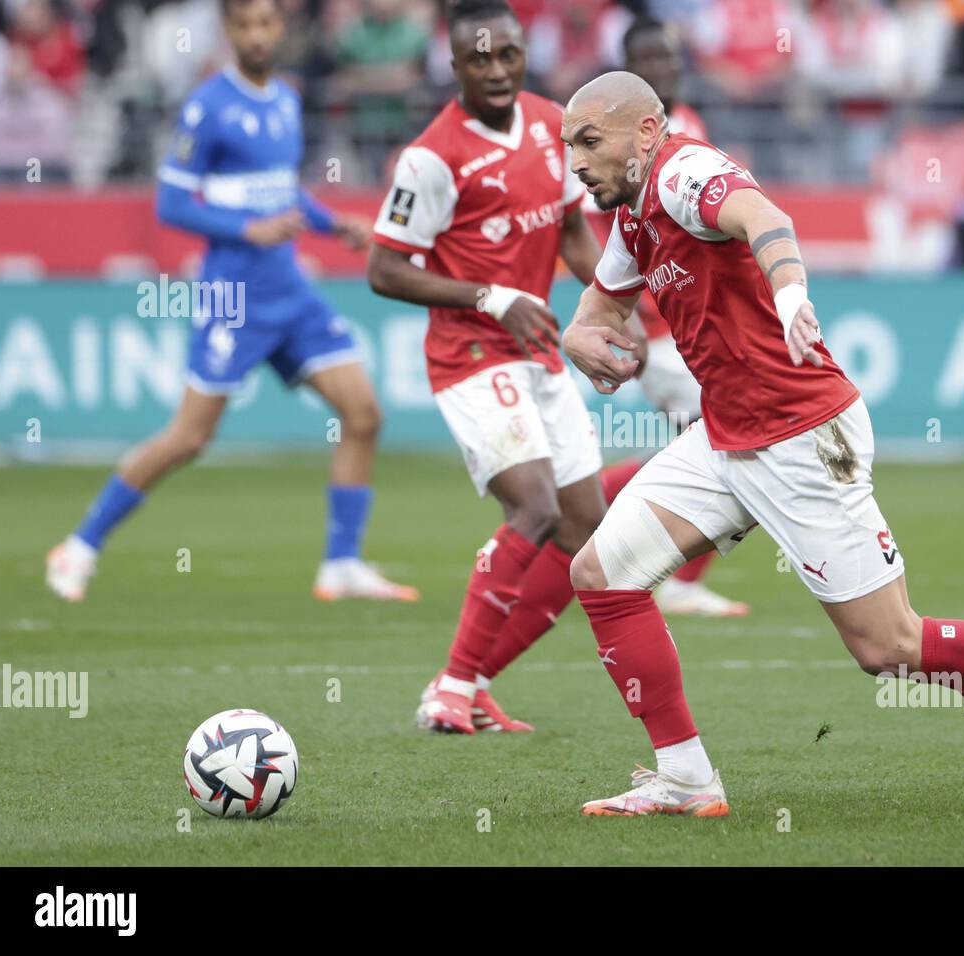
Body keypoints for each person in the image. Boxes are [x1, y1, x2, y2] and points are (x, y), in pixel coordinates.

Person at [558, 71, 964, 816]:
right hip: (725, 435)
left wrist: (789, 293)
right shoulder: (634, 215)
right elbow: (601, 303)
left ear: (645, 134)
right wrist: (578, 336)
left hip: (801, 436)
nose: (577, 161)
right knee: (602, 573)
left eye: (589, 140)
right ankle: (686, 777)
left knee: (889, 648)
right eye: (568, 146)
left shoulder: (684, 172)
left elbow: (762, 215)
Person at [46, 0, 416, 605]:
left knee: (364, 414)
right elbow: (170, 203)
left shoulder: (287, 99)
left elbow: (281, 190)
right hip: (232, 298)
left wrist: (332, 225)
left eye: (266, 23)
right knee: (190, 438)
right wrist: (247, 231)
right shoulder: (208, 106)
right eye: (243, 25)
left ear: (280, 28)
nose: (256, 35)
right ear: (228, 32)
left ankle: (341, 564)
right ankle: (80, 543)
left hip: (289, 291)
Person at [366, 0, 604, 735]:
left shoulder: (550, 122)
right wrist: (492, 296)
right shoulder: (432, 158)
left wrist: (613, 311)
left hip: (537, 352)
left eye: (508, 53)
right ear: (454, 66)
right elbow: (383, 269)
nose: (496, 70)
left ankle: (463, 681)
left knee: (585, 542)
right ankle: (452, 689)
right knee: (534, 507)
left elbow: (571, 231)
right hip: (469, 355)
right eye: (480, 58)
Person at [596, 14, 749, 618]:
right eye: (652, 60)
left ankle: (584, 500)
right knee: (727, 441)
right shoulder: (610, 136)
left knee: (711, 442)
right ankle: (676, 578)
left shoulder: (689, 126)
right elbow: (598, 230)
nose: (668, 68)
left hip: (696, 323)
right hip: (658, 330)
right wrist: (619, 311)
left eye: (672, 58)